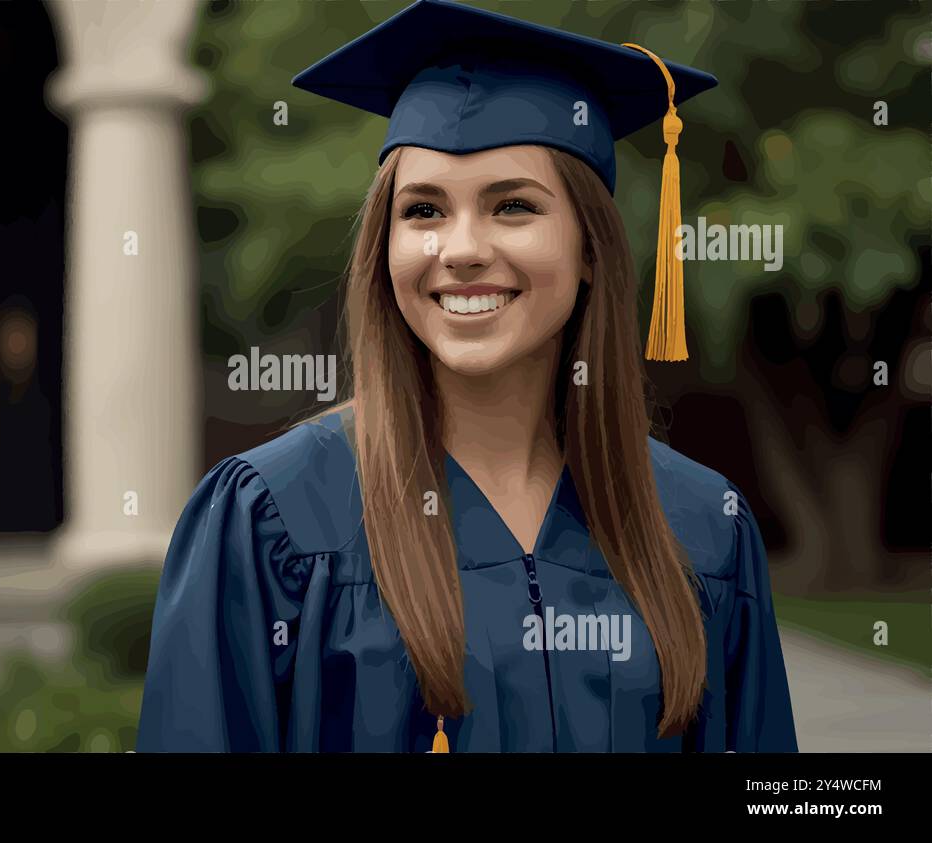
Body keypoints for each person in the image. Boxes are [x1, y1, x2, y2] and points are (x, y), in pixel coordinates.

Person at [137, 0, 797, 752]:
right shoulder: (272, 519)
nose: (461, 248)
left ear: (590, 249)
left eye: (512, 205)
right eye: (423, 211)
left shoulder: (702, 525)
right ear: (384, 250)